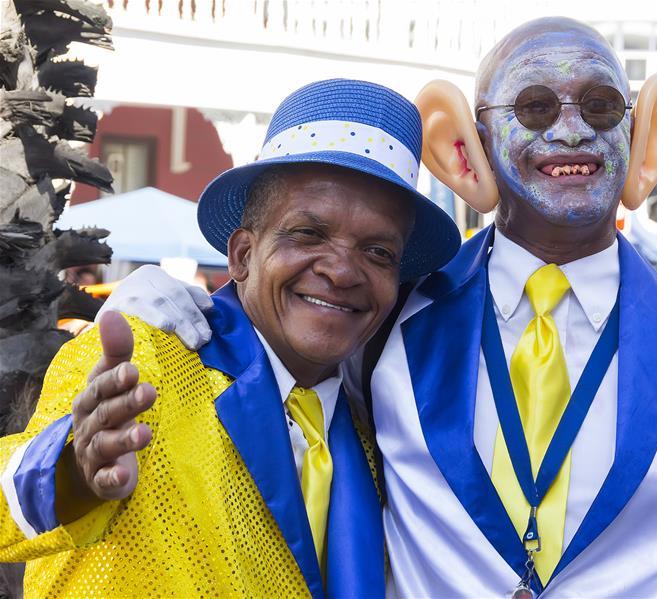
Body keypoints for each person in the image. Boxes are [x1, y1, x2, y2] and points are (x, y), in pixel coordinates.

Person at [99, 19, 657, 598]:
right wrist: (180, 321)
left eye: (601, 106)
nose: (574, 131)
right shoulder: (380, 321)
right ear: (465, 144)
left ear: (646, 136)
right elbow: (272, 359)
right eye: (537, 109)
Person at [0, 79, 460, 598]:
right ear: (242, 254)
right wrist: (71, 471)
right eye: (308, 233)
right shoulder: (145, 355)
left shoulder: (373, 425)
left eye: (378, 251)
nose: (341, 271)